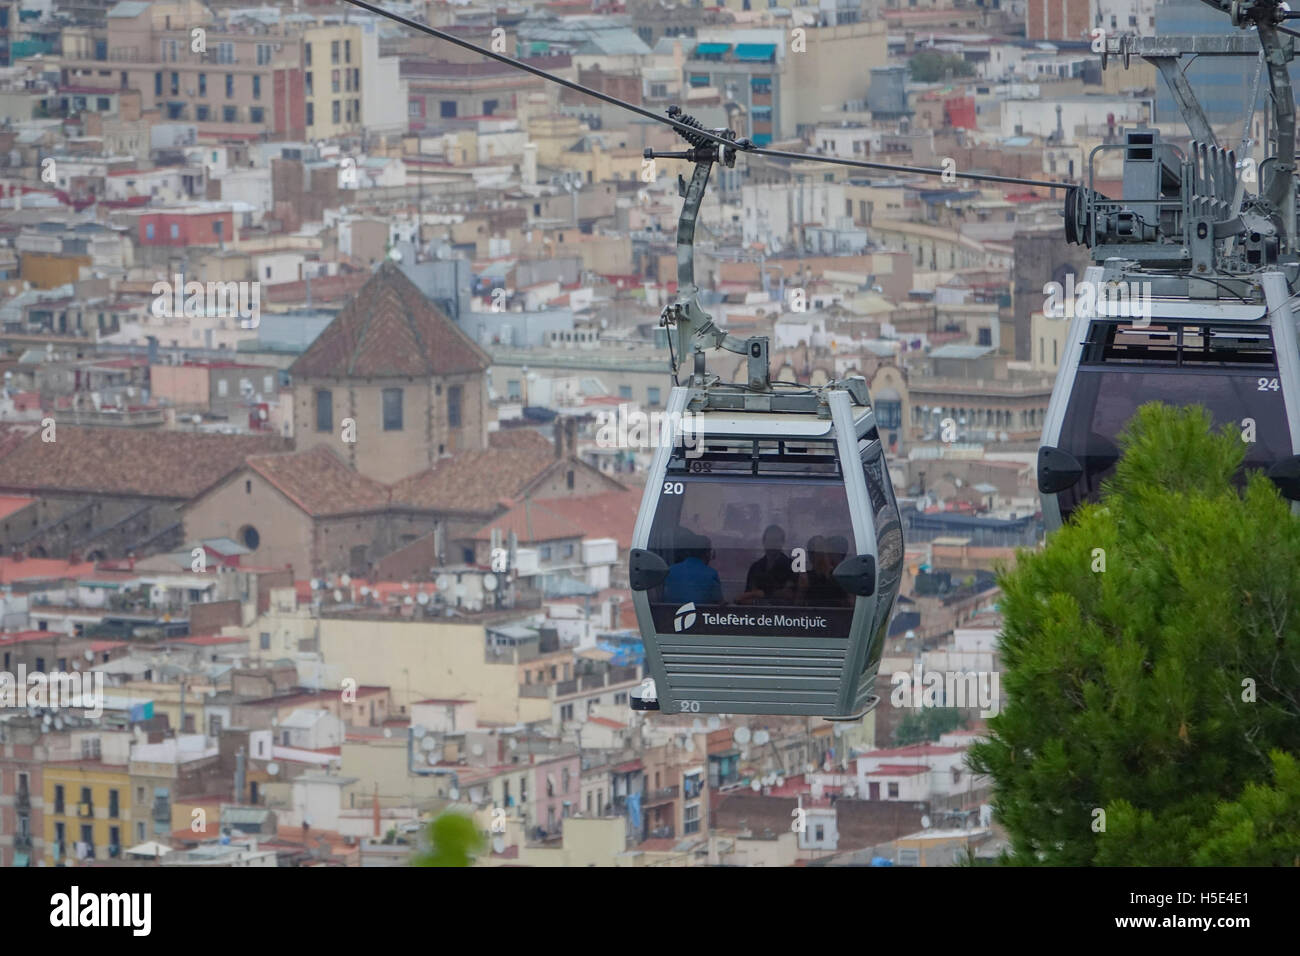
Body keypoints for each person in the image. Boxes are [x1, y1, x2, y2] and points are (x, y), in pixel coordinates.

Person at [661, 530, 723, 606]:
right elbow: (718, 603)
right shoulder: (711, 574)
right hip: (702, 616)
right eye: (710, 551)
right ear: (707, 553)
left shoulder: (670, 570)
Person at [738, 524, 795, 604]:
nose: (772, 545)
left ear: (782, 542)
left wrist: (762, 594)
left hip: (784, 614)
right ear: (763, 542)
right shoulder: (755, 567)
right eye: (770, 541)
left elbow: (790, 595)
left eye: (776, 541)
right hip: (757, 614)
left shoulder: (792, 566)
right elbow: (745, 598)